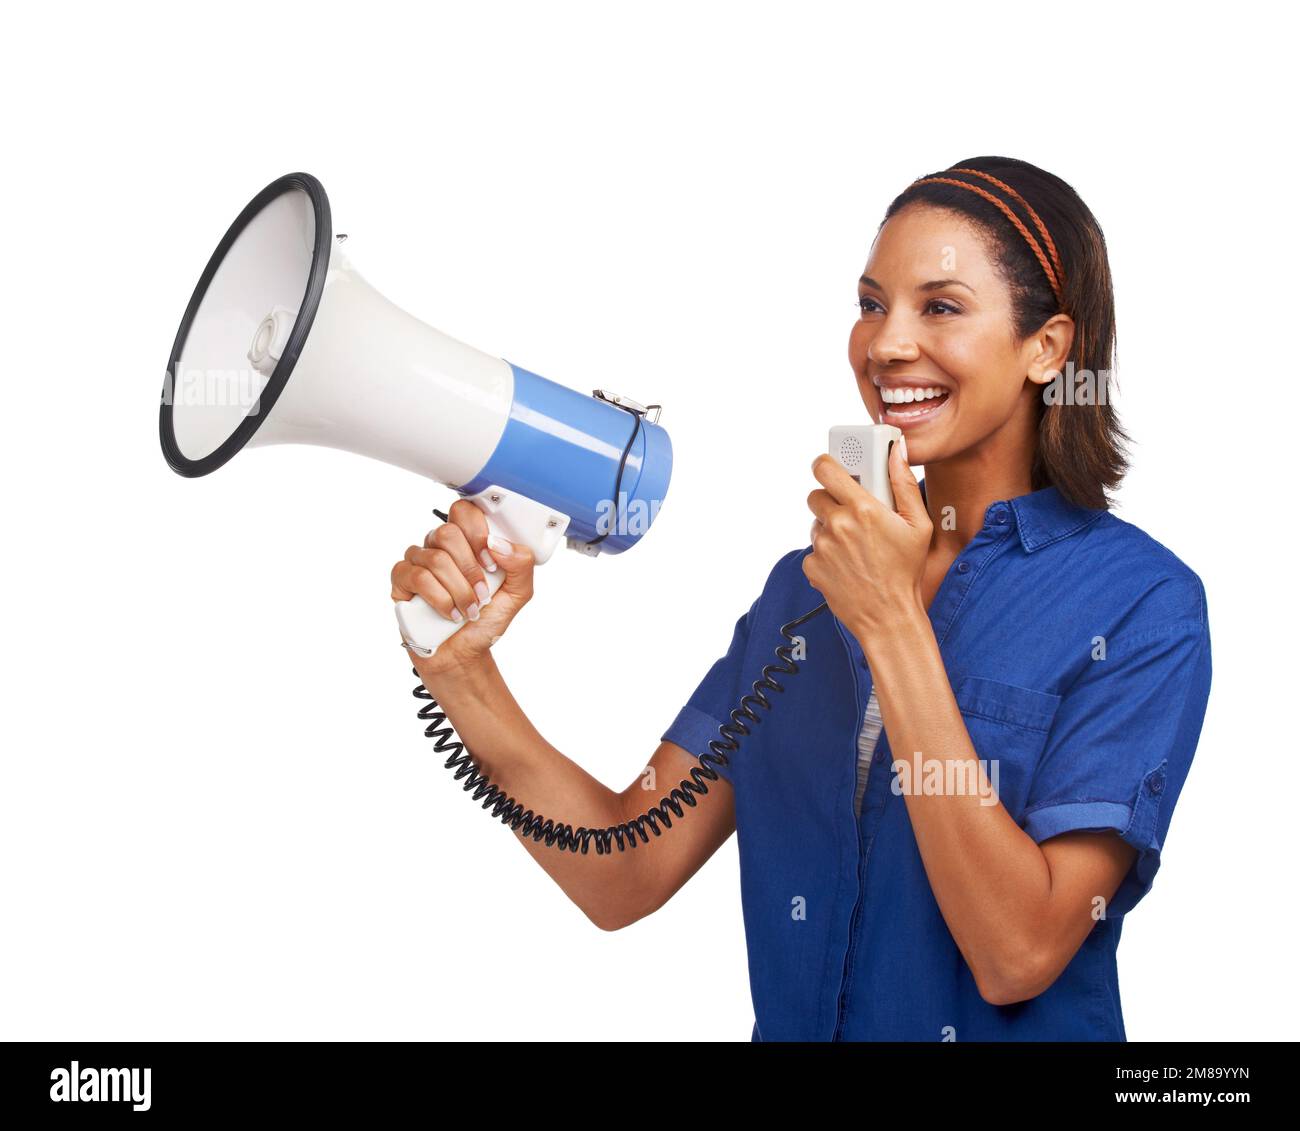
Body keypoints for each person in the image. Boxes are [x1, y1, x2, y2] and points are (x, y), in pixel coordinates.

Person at [389, 156, 1212, 1042]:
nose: (887, 344)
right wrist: (462, 673)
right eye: (870, 304)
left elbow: (1018, 953)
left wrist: (892, 620)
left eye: (939, 306)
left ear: (1046, 348)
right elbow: (622, 870)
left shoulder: (1141, 604)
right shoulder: (805, 589)